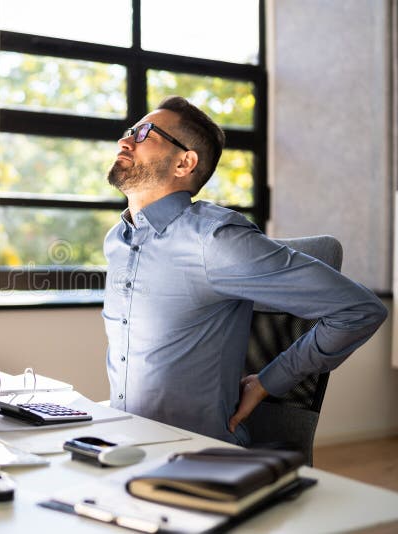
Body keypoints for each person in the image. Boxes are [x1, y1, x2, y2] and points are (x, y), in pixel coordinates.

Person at [103, 95, 387, 445]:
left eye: (145, 132)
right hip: (124, 445)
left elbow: (359, 310)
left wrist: (271, 380)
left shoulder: (216, 241)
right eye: (130, 130)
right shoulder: (117, 240)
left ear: (184, 163)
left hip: (192, 459)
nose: (125, 139)